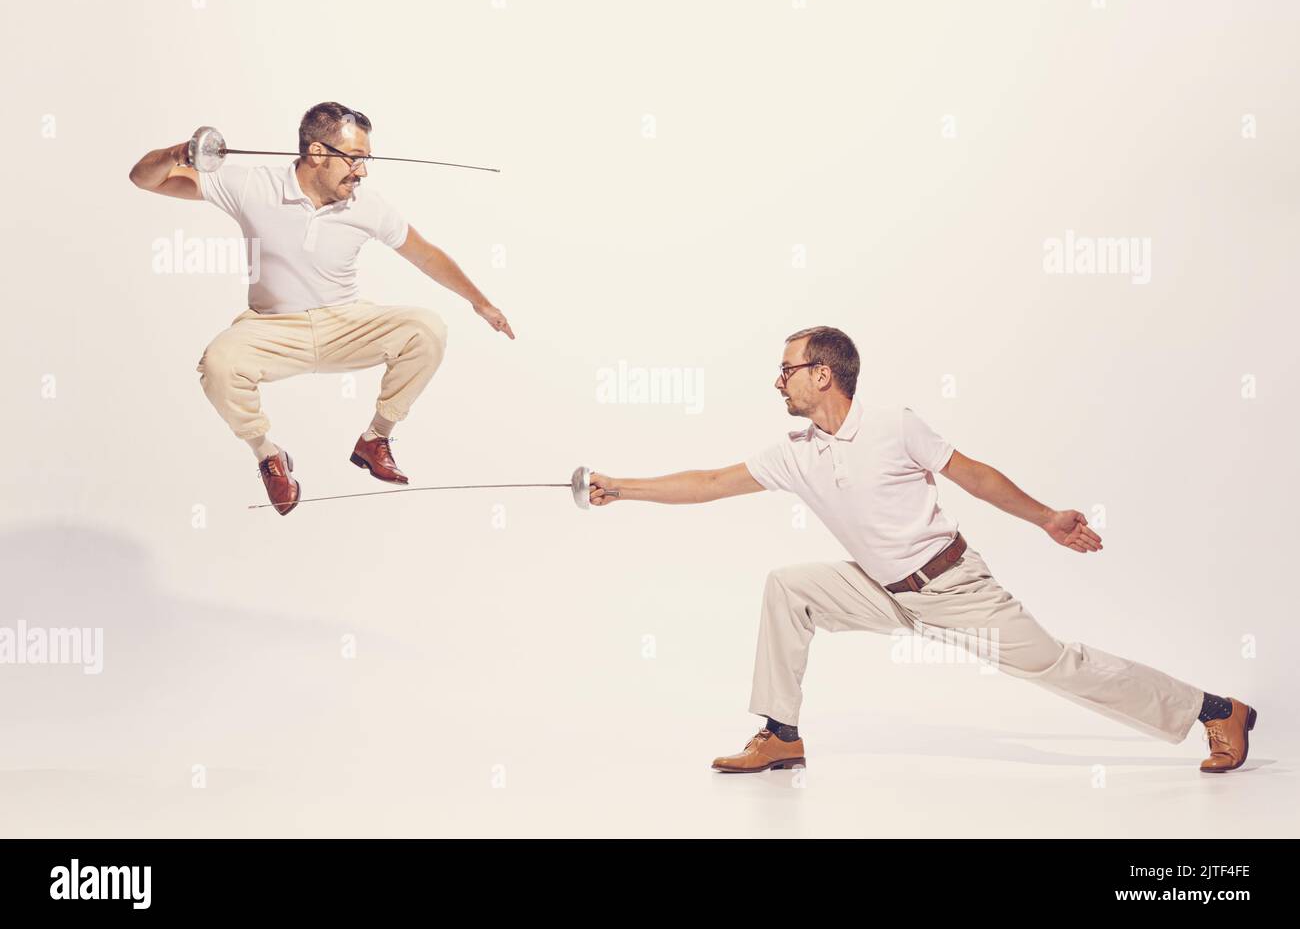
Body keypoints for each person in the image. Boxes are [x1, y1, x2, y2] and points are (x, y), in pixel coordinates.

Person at [587, 326, 1257, 774]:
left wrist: (1047, 516)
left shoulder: (892, 426)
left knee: (1058, 665)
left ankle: (1217, 710)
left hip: (955, 588)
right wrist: (621, 485)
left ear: (822, 374)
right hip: (883, 590)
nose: (777, 381)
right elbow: (708, 483)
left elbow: (974, 474)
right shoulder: (795, 454)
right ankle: (781, 734)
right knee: (789, 587)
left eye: (786, 369)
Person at [129, 102, 514, 514]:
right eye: (355, 159)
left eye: (366, 160)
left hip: (345, 324)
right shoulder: (250, 186)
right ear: (317, 153)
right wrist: (178, 152)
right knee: (219, 364)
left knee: (427, 328)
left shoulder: (368, 205)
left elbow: (426, 256)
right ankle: (267, 456)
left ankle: (374, 440)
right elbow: (145, 179)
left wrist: (481, 302)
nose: (362, 171)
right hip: (272, 328)